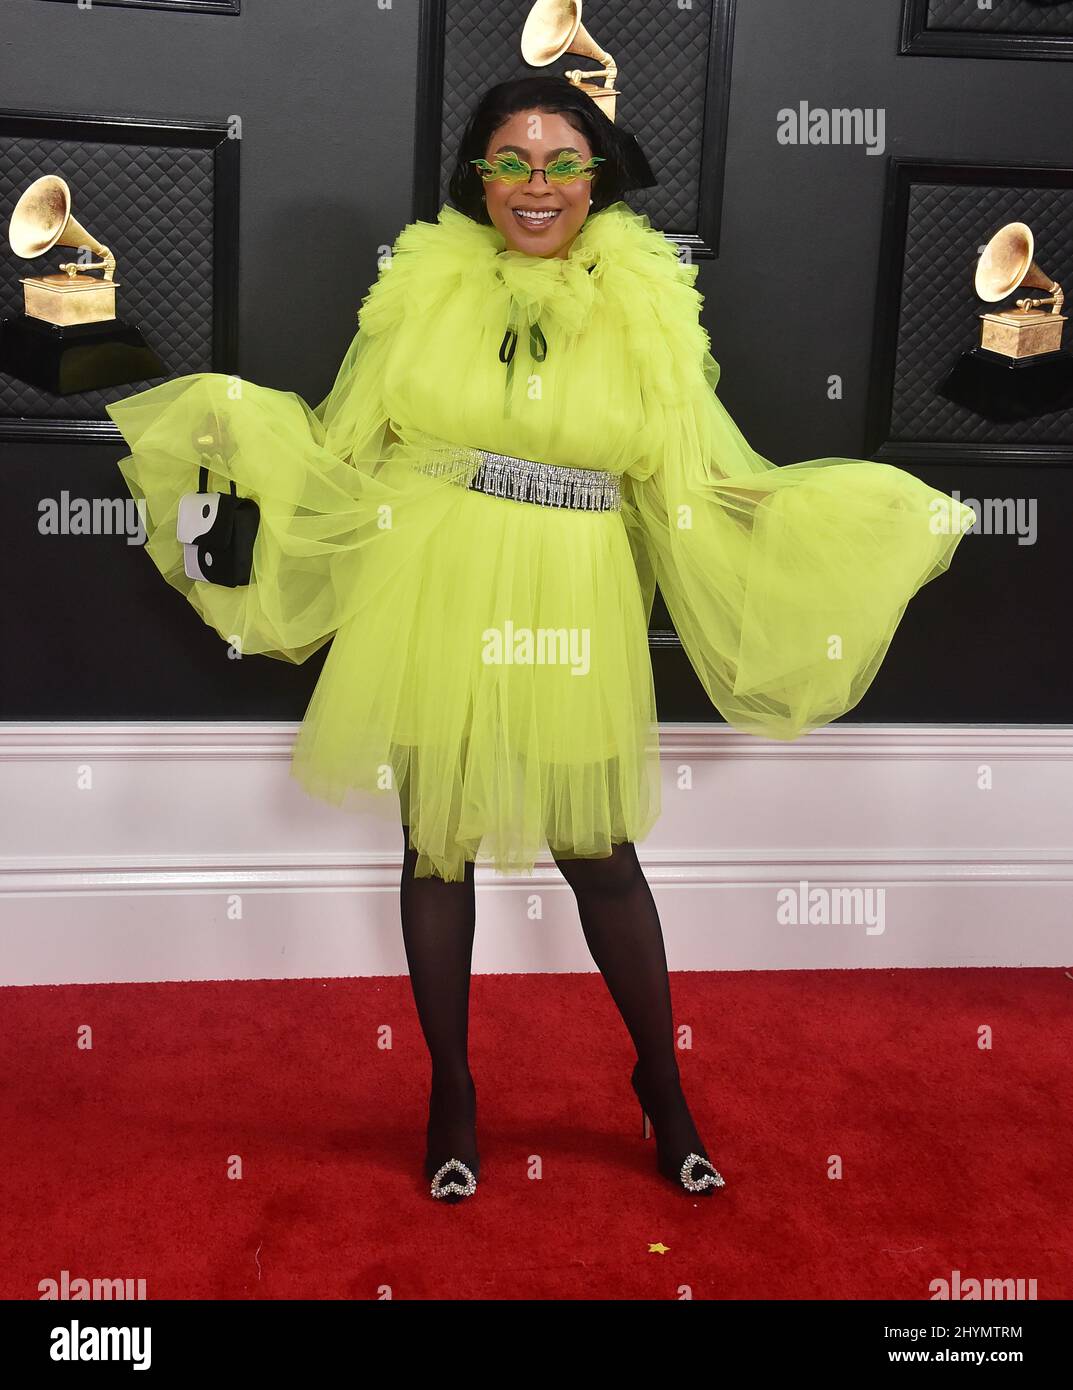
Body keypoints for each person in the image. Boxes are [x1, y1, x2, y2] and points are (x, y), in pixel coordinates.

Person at [106, 76, 975, 1204]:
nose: (535, 185)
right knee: (436, 843)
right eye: (510, 161)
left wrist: (836, 517)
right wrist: (240, 442)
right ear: (477, 177)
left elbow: (695, 466)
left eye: (562, 162)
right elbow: (342, 441)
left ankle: (661, 1086)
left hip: (573, 594)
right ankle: (451, 1091)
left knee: (598, 851)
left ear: (597, 178)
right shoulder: (419, 287)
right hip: (431, 581)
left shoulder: (647, 299)